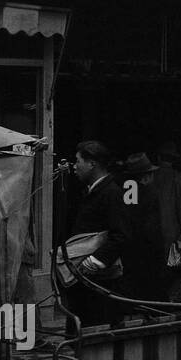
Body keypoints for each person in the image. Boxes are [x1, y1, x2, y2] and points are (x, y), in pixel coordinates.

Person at [62, 141, 133, 331]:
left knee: (96, 335)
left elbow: (122, 235)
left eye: (78, 161)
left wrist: (95, 261)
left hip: (101, 282)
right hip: (86, 281)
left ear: (92, 163)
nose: (74, 166)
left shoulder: (111, 193)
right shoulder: (90, 191)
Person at [122, 152, 169, 302]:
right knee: (153, 286)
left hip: (130, 246)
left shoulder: (127, 190)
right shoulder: (150, 193)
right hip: (148, 249)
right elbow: (151, 227)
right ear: (146, 176)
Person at [154, 142, 181, 302]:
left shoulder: (150, 176)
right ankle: (174, 300)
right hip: (173, 229)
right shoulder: (179, 177)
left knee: (156, 266)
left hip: (153, 228)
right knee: (176, 267)